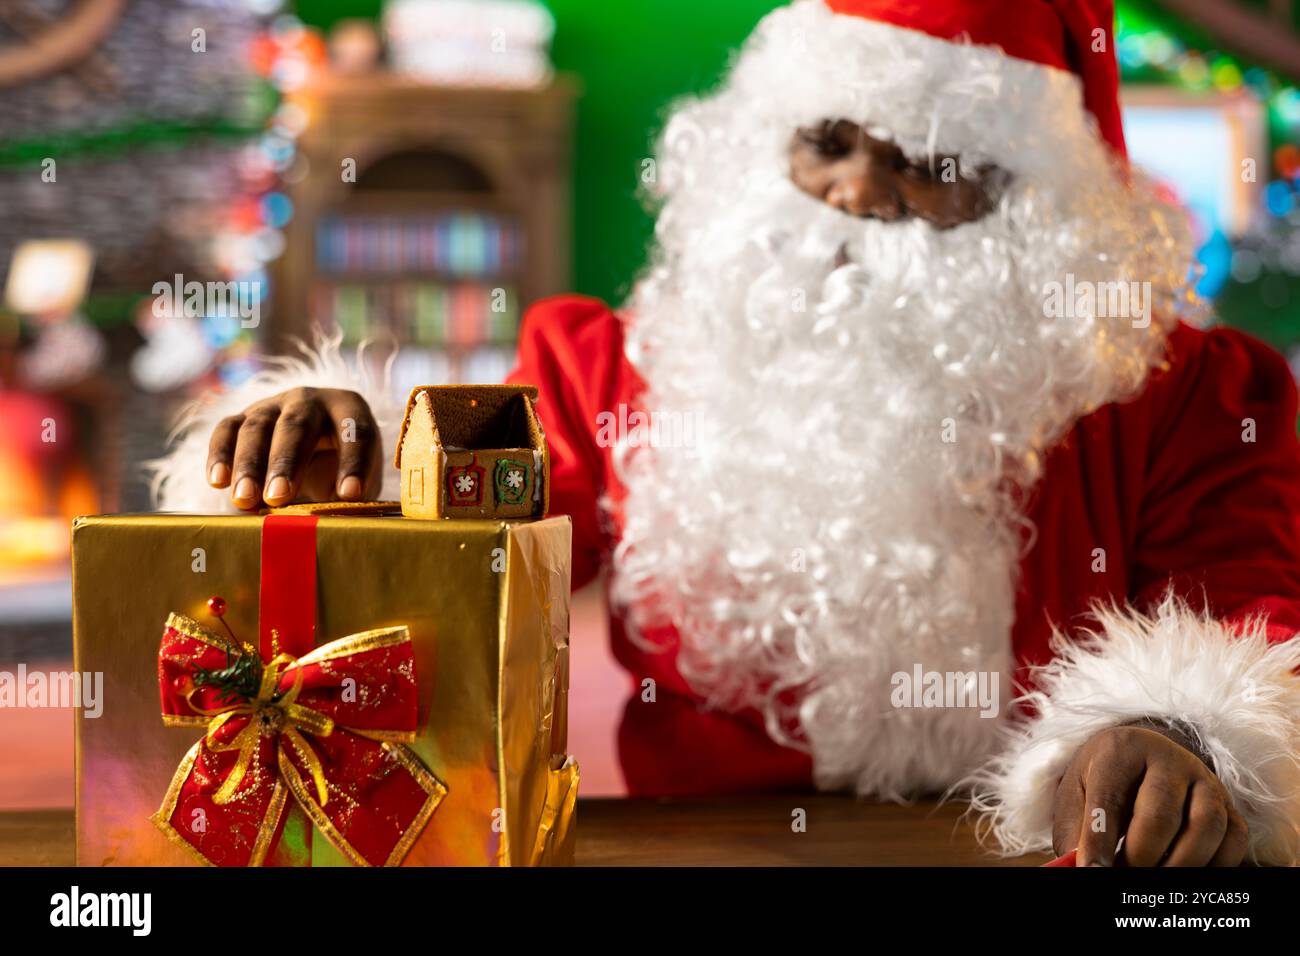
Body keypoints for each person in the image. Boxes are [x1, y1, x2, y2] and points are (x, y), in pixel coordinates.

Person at [150, 0, 1300, 866]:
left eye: (930, 165)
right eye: (830, 140)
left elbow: (1247, 616)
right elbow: (450, 563)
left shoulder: (1186, 396)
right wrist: (337, 463)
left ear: (1043, 203)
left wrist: (1179, 727)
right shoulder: (608, 367)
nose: (856, 193)